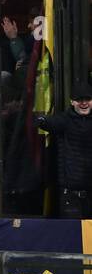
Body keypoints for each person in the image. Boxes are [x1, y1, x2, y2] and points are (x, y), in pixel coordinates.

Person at [35, 82, 92, 218]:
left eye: (88, 99)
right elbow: (44, 122)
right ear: (72, 101)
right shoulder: (64, 120)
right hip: (71, 195)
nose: (84, 103)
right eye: (79, 100)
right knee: (73, 234)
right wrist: (38, 118)